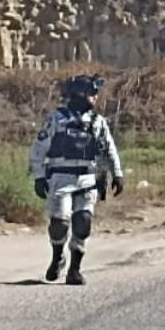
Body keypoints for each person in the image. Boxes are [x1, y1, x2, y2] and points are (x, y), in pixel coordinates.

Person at [29, 75, 125, 286]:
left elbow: (109, 149)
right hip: (60, 177)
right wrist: (38, 176)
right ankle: (57, 257)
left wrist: (117, 173)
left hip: (88, 178)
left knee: (83, 222)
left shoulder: (98, 122)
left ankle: (75, 269)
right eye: (91, 93)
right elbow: (39, 147)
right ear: (79, 94)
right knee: (59, 223)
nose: (95, 97)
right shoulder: (57, 119)